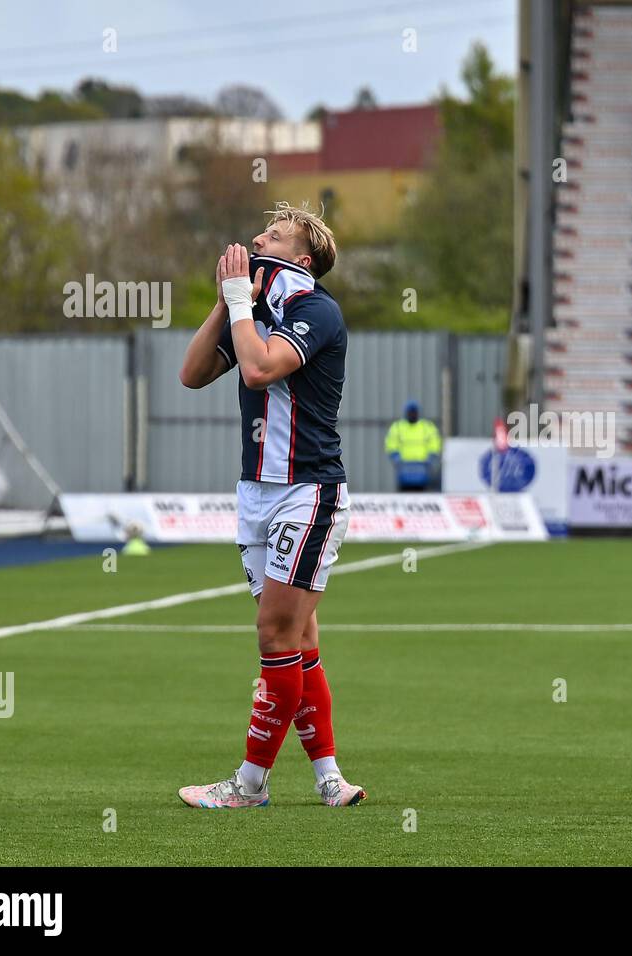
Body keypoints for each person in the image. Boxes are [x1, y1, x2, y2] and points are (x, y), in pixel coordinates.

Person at [176, 202, 364, 809]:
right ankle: (329, 779)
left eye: (274, 235)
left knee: (274, 633)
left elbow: (258, 371)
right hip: (254, 492)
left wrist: (238, 300)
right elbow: (192, 372)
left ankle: (249, 786)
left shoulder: (316, 310)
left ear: (302, 259)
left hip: (306, 491)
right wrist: (231, 298)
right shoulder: (254, 308)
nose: (257, 236)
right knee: (300, 636)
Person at [385, 401, 442, 491]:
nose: (412, 415)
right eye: (410, 412)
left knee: (422, 492)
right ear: (406, 413)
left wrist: (431, 458)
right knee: (404, 492)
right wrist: (396, 458)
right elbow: (391, 444)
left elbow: (435, 443)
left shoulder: (427, 427)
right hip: (404, 467)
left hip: (422, 466)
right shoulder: (398, 427)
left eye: (414, 412)